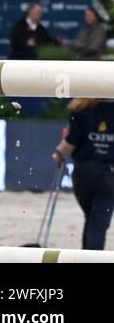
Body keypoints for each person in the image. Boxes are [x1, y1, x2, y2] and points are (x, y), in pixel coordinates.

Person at [52, 97, 114, 250]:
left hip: (82, 173)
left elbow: (71, 141)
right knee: (98, 224)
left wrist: (58, 154)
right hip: (108, 175)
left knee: (91, 220)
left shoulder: (81, 107)